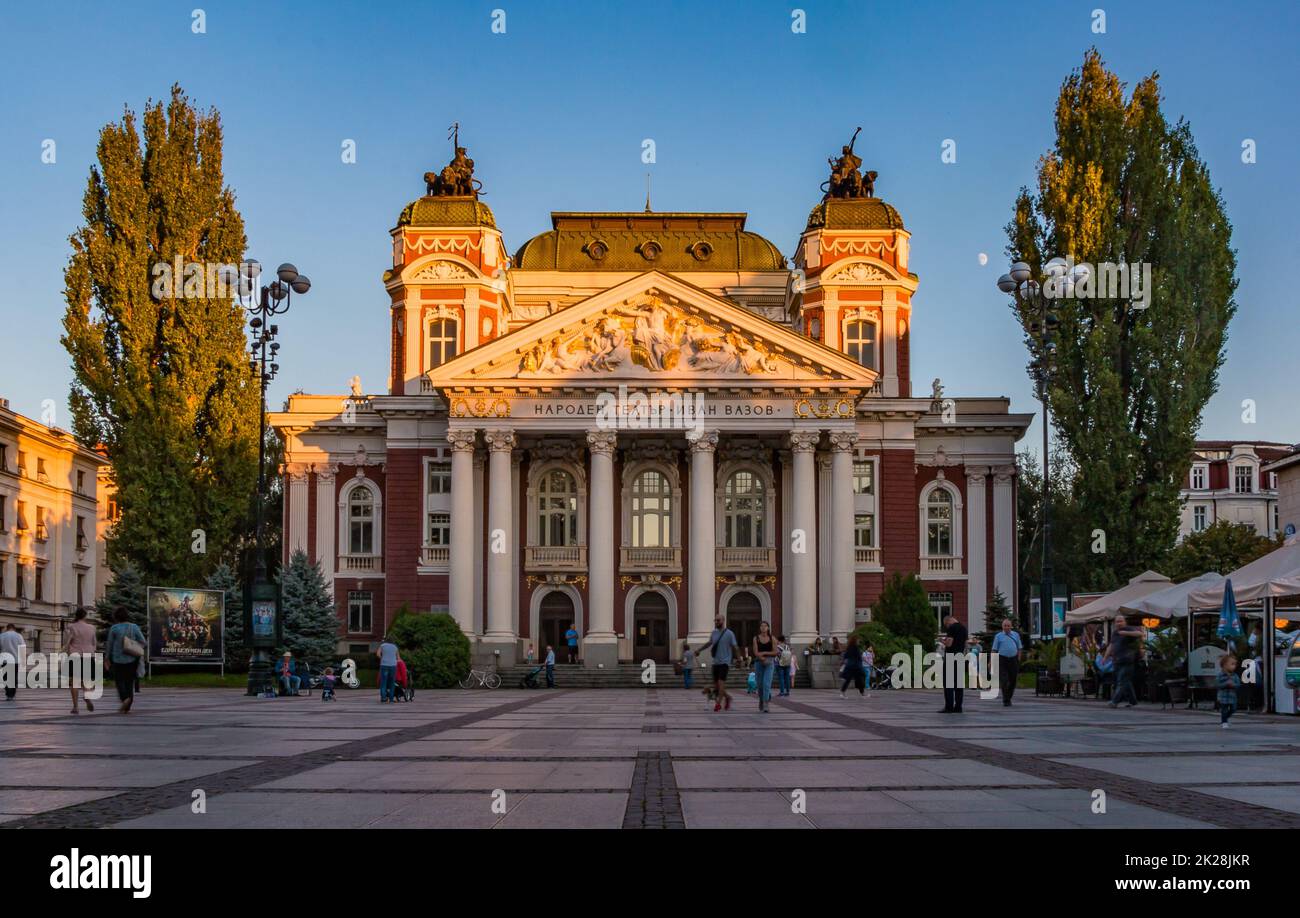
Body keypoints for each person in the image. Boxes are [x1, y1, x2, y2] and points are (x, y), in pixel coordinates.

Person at [105, 607, 145, 714]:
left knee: (119, 681)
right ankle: (128, 706)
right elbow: (143, 641)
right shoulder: (134, 627)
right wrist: (133, 645)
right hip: (132, 659)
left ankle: (124, 699)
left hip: (118, 659)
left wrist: (107, 658)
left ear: (116, 617)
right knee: (129, 682)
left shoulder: (114, 628)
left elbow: (109, 644)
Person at [699, 614, 738, 712]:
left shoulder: (730, 633)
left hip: (725, 663)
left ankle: (718, 704)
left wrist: (739, 658)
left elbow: (735, 647)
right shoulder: (714, 633)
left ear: (723, 621)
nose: (716, 622)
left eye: (718, 620)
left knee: (721, 683)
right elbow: (709, 643)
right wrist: (699, 650)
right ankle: (728, 697)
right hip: (715, 663)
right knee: (717, 686)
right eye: (715, 620)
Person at [64, 608, 98, 714]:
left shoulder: (71, 627)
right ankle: (87, 696)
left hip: (75, 655)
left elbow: (67, 642)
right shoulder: (92, 627)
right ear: (85, 616)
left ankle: (75, 707)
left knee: (74, 682)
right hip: (89, 655)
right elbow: (94, 643)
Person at [1107, 615, 1144, 709]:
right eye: (1117, 622)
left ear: (1125, 622)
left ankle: (1114, 701)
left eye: (1121, 621)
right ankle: (1133, 701)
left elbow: (1140, 634)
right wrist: (1105, 657)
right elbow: (1111, 645)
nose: (1119, 623)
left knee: (1122, 681)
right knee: (1126, 682)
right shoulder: (1115, 633)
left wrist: (1126, 633)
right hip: (1117, 660)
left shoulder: (1129, 629)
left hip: (1127, 660)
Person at [939, 614, 968, 713]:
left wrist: (943, 641)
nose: (947, 627)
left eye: (946, 625)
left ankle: (949, 707)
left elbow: (949, 643)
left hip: (951, 657)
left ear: (948, 622)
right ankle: (958, 707)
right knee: (959, 683)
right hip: (960, 657)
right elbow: (965, 644)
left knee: (948, 683)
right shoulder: (964, 628)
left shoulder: (952, 628)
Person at [991, 618, 1023, 706]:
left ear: (1011, 626)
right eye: (1005, 626)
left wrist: (1018, 658)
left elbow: (1019, 648)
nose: (1006, 627)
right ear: (1002, 626)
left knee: (1013, 680)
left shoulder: (1016, 635)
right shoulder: (998, 636)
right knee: (1004, 680)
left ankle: (1008, 696)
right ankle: (1006, 699)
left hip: (1013, 659)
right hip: (1002, 659)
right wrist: (991, 661)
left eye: (1008, 626)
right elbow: (994, 649)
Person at [1, 623, 27, 702]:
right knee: (13, 677)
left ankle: (8, 692)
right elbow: (22, 648)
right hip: (15, 660)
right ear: (14, 628)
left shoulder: (2, 636)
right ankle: (11, 694)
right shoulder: (19, 636)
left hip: (4, 659)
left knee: (5, 677)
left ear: (7, 628)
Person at [1217, 654, 1241, 729]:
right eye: (1232, 664)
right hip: (1223, 696)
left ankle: (1225, 718)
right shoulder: (1221, 675)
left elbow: (1238, 684)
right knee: (1224, 709)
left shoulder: (1235, 675)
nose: (1234, 666)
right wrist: (1226, 684)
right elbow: (1218, 684)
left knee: (1233, 709)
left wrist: (1234, 685)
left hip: (1232, 696)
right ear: (1225, 665)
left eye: (1235, 664)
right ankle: (1224, 721)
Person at [377, 635, 399, 703]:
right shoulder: (395, 647)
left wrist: (382, 658)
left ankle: (384, 698)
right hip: (393, 666)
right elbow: (398, 658)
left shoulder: (382, 646)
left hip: (384, 665)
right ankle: (391, 699)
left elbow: (378, 654)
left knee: (383, 682)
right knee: (392, 683)